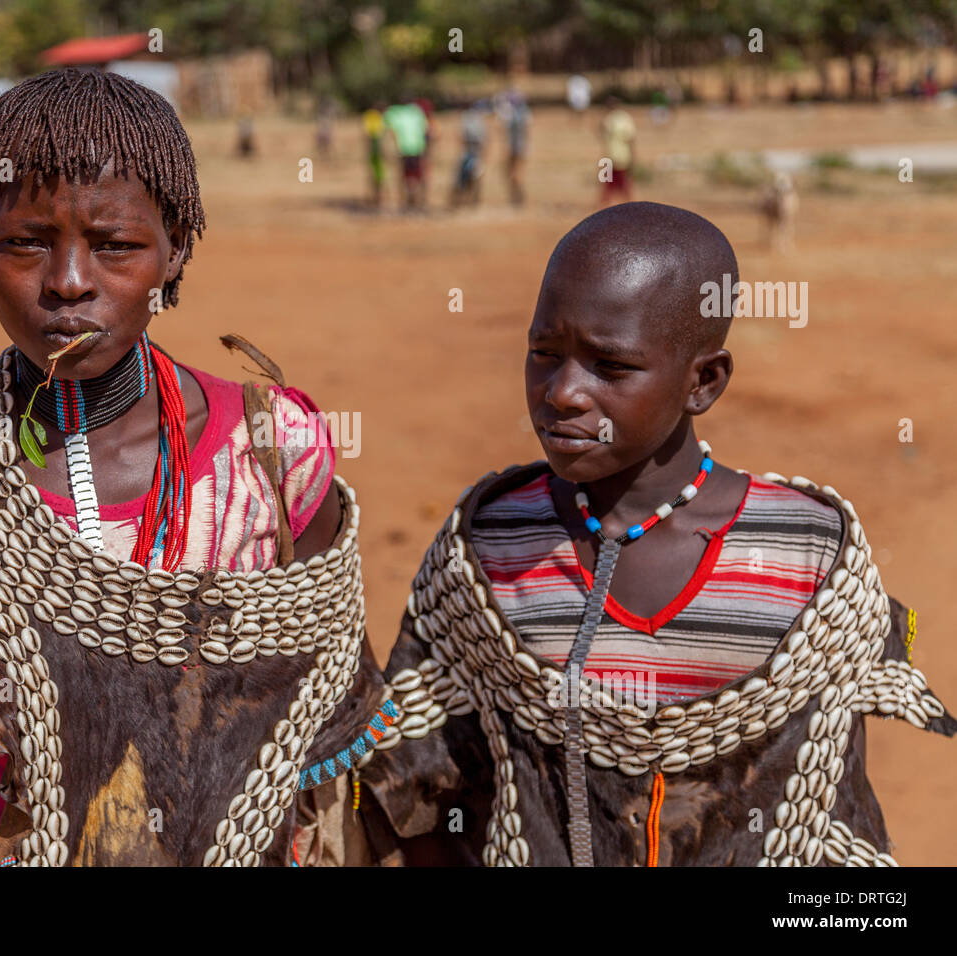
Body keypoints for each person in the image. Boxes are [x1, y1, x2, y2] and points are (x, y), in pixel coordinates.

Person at [0, 67, 387, 867]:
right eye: (24, 243)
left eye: (115, 246)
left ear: (175, 251)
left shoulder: (272, 457)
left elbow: (336, 727)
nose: (69, 283)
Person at [350, 202, 954, 866]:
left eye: (609, 367)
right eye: (544, 355)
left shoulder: (806, 557)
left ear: (703, 382)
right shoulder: (486, 547)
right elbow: (427, 802)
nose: (563, 392)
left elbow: (831, 817)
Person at [383, 99, 428, 211]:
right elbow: (426, 129)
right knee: (418, 176)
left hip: (404, 149)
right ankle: (418, 201)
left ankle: (406, 201)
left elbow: (391, 130)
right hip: (418, 148)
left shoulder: (395, 112)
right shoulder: (417, 111)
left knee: (404, 176)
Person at [450, 100, 488, 209]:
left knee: (470, 178)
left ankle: (470, 201)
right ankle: (468, 201)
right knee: (468, 178)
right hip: (471, 154)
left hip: (471, 154)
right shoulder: (476, 120)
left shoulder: (468, 119)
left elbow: (463, 137)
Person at [599, 96, 635, 206]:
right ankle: (609, 200)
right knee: (612, 179)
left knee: (617, 178)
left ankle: (624, 200)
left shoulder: (618, 118)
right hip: (616, 154)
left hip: (618, 154)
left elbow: (630, 137)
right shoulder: (615, 118)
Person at [497, 91, 530, 206]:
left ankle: (517, 197)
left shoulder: (512, 116)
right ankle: (517, 196)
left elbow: (507, 134)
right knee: (516, 173)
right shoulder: (524, 115)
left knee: (513, 173)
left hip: (514, 148)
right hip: (521, 147)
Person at [362, 104, 386, 208]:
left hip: (376, 151)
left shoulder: (373, 118)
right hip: (376, 151)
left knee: (378, 175)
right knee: (377, 175)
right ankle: (377, 197)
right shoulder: (373, 118)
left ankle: (379, 197)